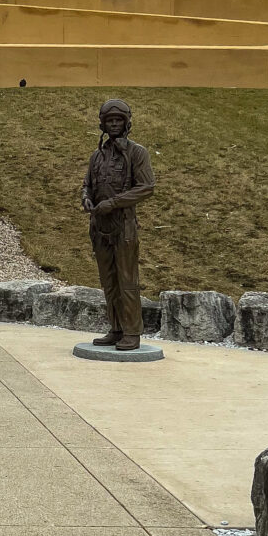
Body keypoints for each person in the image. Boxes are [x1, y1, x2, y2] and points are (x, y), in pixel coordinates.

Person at [80, 98, 155, 351]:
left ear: (126, 123)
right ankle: (116, 328)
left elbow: (146, 187)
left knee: (127, 280)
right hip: (99, 226)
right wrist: (86, 199)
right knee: (108, 280)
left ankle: (132, 331)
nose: (113, 124)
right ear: (102, 124)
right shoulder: (96, 156)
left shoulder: (137, 153)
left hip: (124, 226)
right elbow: (87, 184)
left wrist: (113, 203)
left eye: (118, 120)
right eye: (109, 120)